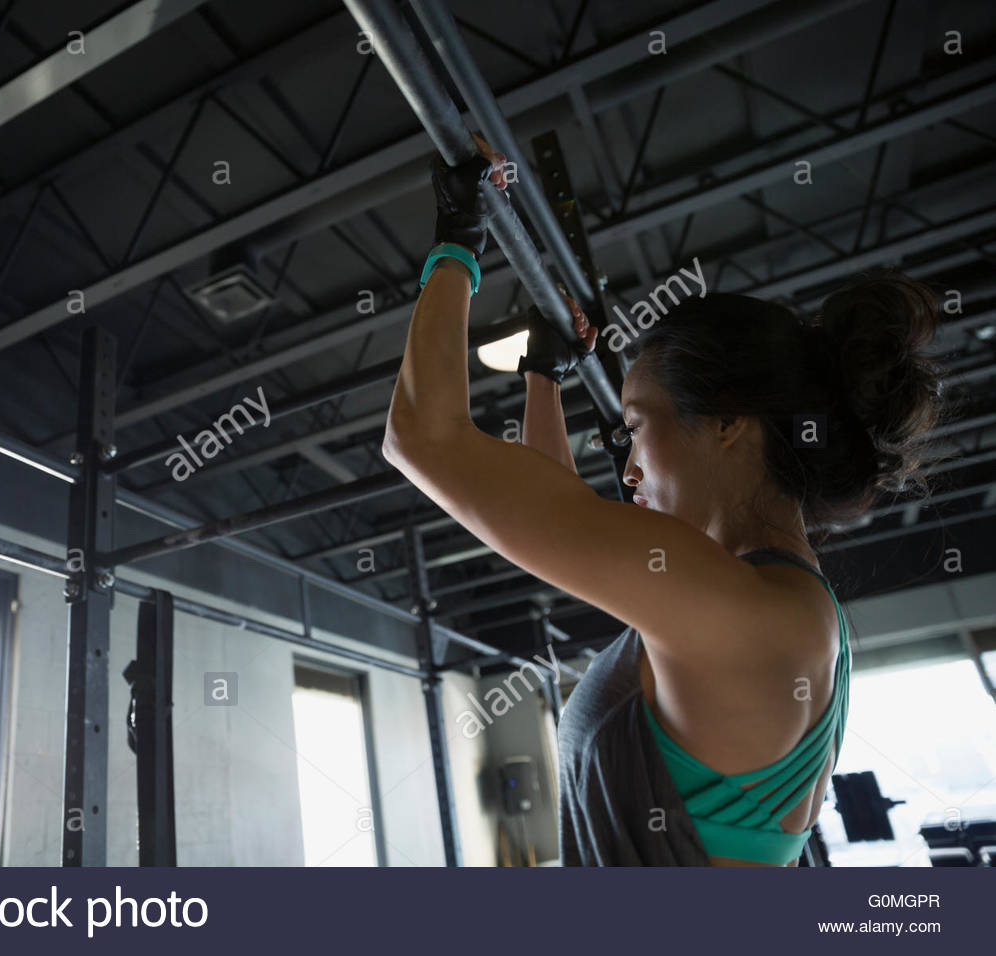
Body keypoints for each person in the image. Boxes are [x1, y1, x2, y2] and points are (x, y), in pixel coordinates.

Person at [383, 135, 949, 866]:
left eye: (636, 430)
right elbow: (554, 515)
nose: (628, 470)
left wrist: (457, 242)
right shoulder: (766, 605)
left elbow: (422, 441)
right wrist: (541, 376)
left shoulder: (747, 612)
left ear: (727, 424)